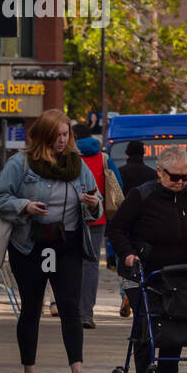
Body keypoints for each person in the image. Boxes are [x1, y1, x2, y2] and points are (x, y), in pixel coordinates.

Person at [0, 109, 103, 373]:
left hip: (67, 244)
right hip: (31, 244)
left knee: (70, 307)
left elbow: (96, 201)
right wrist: (24, 206)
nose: (61, 141)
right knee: (32, 306)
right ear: (44, 137)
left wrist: (92, 204)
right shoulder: (22, 164)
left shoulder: (77, 165)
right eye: (56, 136)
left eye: (65, 135)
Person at [108, 146, 187, 373]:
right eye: (175, 177)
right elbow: (116, 230)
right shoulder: (141, 196)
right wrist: (127, 253)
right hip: (136, 273)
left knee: (176, 322)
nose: (180, 182)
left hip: (178, 273)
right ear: (160, 172)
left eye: (185, 177)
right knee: (144, 322)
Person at [74, 124, 118, 329]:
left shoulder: (70, 157)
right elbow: (117, 186)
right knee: (91, 265)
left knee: (70, 263)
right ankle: (86, 313)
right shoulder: (104, 158)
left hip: (70, 217)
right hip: (97, 218)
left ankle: (68, 309)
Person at [116, 140, 158, 317]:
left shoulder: (120, 172)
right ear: (144, 154)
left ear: (127, 154)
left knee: (126, 261)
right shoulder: (152, 174)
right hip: (147, 225)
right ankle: (143, 293)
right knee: (144, 261)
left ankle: (126, 292)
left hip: (126, 224)